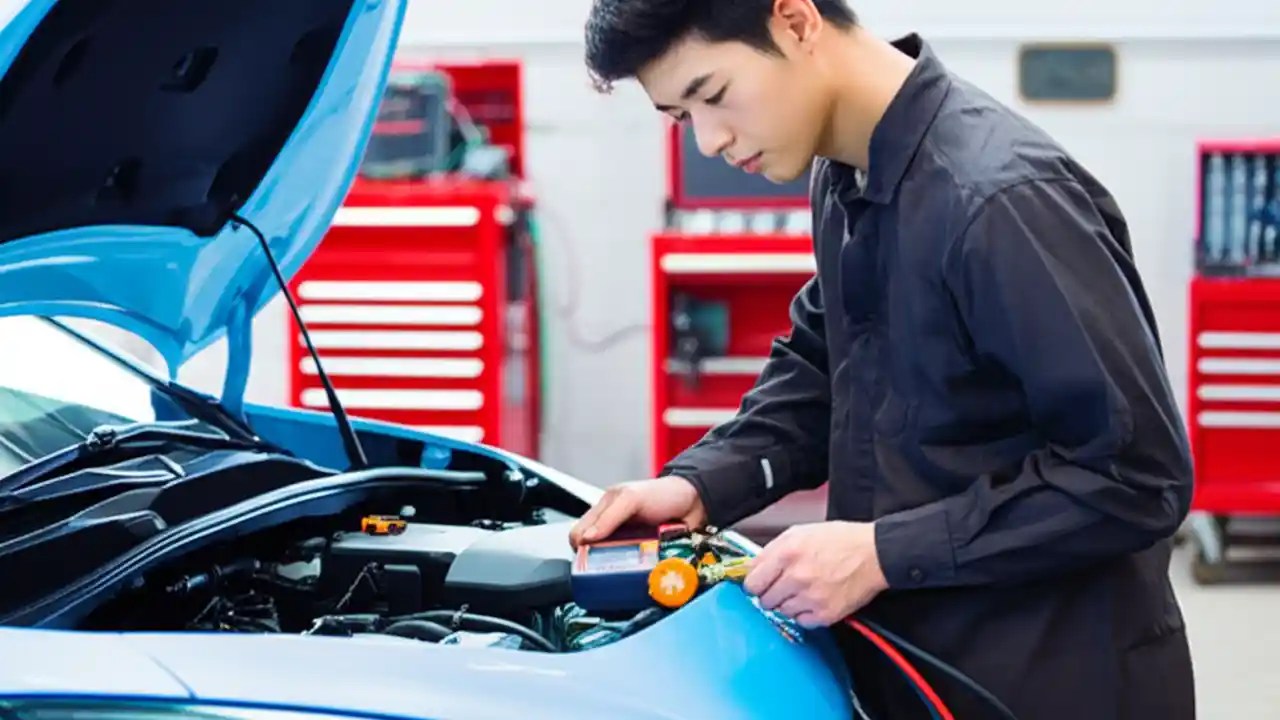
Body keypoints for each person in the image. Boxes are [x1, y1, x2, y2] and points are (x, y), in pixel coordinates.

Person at [571, 1, 1196, 718]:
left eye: (712, 95)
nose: (709, 141)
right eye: (681, 116)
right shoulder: (845, 176)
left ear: (797, 21)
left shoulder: (998, 200)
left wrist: (881, 553)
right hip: (918, 663)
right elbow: (825, 366)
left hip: (1049, 682)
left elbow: (1135, 474)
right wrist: (700, 484)